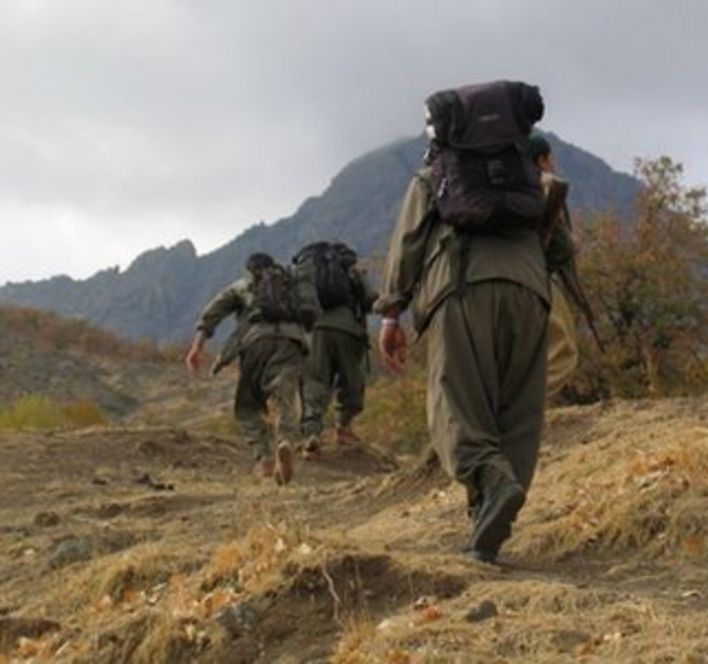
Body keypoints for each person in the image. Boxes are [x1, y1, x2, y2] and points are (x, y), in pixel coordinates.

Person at [375, 80, 550, 563]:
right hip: (532, 293)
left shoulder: (435, 172)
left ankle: (491, 484)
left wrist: (392, 312)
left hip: (463, 287)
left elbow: (408, 240)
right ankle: (488, 524)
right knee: (517, 412)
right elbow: (558, 240)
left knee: (455, 405)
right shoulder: (526, 171)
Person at [185, 252, 319, 484]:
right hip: (292, 342)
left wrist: (197, 347)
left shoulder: (244, 284)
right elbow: (312, 314)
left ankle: (264, 458)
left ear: (249, 269)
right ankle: (285, 440)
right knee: (286, 397)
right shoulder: (290, 283)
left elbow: (212, 313)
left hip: (257, 342)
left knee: (247, 407)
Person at [294, 241, 377, 456]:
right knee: (351, 378)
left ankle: (312, 434)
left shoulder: (309, 273)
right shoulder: (350, 270)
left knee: (314, 380)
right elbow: (370, 298)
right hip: (347, 329)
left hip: (315, 330)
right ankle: (344, 428)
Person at [528, 135, 581, 399]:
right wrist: (571, 242)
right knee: (563, 351)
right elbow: (562, 249)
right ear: (542, 160)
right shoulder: (543, 188)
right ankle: (520, 412)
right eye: (551, 158)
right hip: (533, 276)